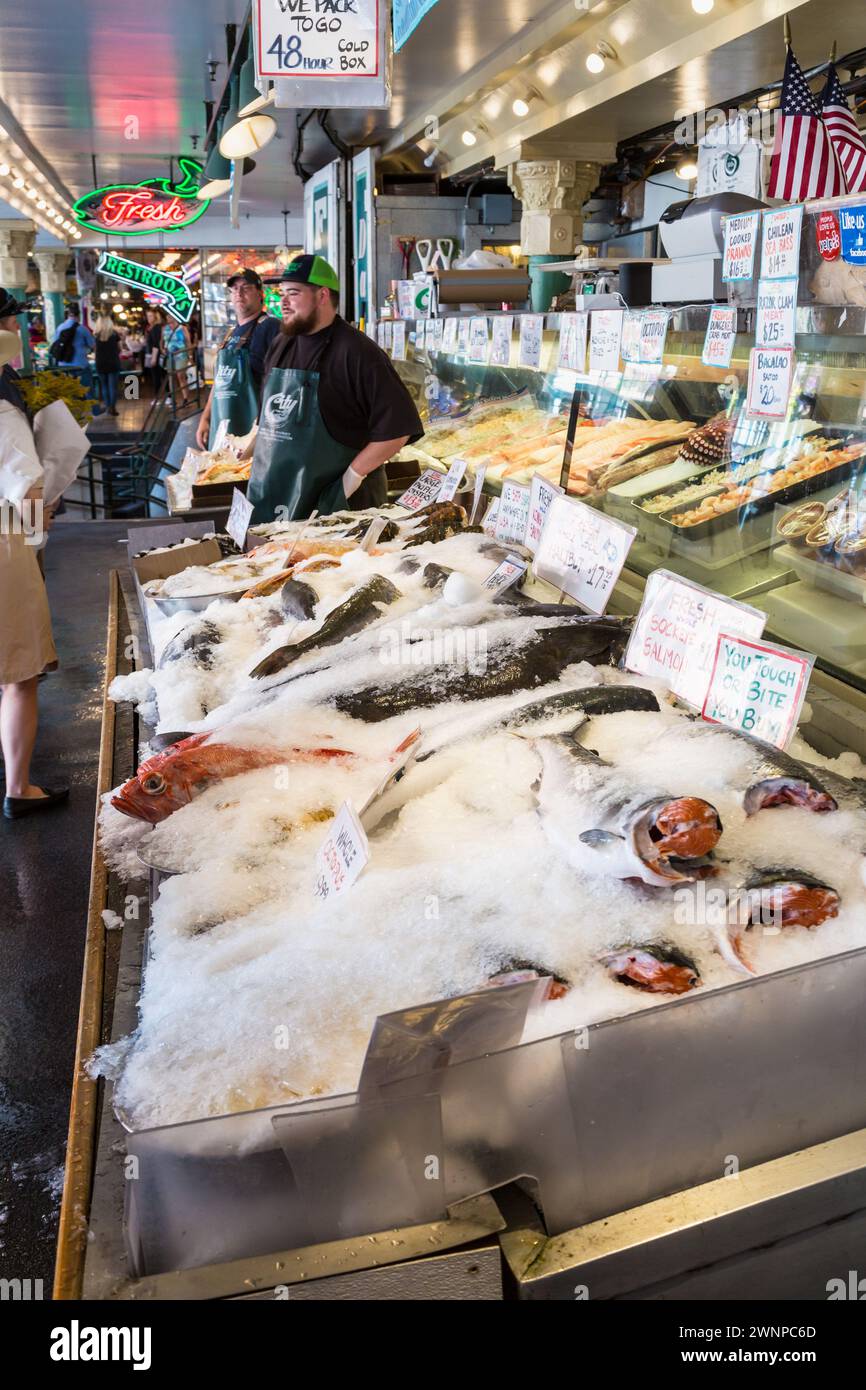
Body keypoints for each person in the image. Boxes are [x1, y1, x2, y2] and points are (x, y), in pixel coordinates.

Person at [247, 255, 423, 522]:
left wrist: (351, 478)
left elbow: (397, 429)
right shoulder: (282, 343)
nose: (282, 301)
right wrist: (253, 446)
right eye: (281, 293)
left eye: (293, 293)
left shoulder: (357, 352)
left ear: (322, 295)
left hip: (339, 507)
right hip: (277, 497)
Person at [0, 289, 67, 819]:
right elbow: (27, 491)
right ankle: (18, 788)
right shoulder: (4, 405)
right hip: (4, 541)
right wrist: (41, 519)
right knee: (18, 674)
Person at [196, 269, 281, 450]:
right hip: (224, 428)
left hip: (254, 432)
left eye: (246, 288)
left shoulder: (270, 327)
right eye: (234, 289)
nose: (239, 294)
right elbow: (220, 380)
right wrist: (205, 417)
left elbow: (280, 383)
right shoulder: (230, 334)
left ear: (260, 294)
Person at [50, 302, 95, 389]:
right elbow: (92, 345)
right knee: (87, 392)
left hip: (63, 366)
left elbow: (54, 343)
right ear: (79, 315)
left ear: (67, 315)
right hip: (80, 365)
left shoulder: (60, 328)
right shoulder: (83, 329)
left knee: (69, 393)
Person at [93, 313, 121, 416]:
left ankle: (107, 406)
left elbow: (94, 349)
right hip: (113, 362)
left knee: (104, 386)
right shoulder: (114, 334)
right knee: (112, 386)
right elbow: (119, 349)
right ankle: (112, 408)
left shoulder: (96, 335)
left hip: (100, 362)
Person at [166, 318, 192, 408]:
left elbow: (188, 342)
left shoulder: (182, 328)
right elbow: (162, 341)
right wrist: (162, 349)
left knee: (180, 376)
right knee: (171, 377)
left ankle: (185, 398)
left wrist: (190, 355)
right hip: (170, 356)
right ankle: (173, 399)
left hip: (182, 355)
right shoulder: (165, 328)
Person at [144, 307, 165, 398]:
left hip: (156, 355)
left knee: (158, 376)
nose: (149, 318)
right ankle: (165, 397)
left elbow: (156, 344)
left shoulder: (156, 328)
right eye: (147, 316)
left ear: (155, 317)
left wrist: (153, 358)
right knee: (161, 375)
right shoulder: (153, 327)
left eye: (150, 316)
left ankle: (158, 397)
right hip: (156, 354)